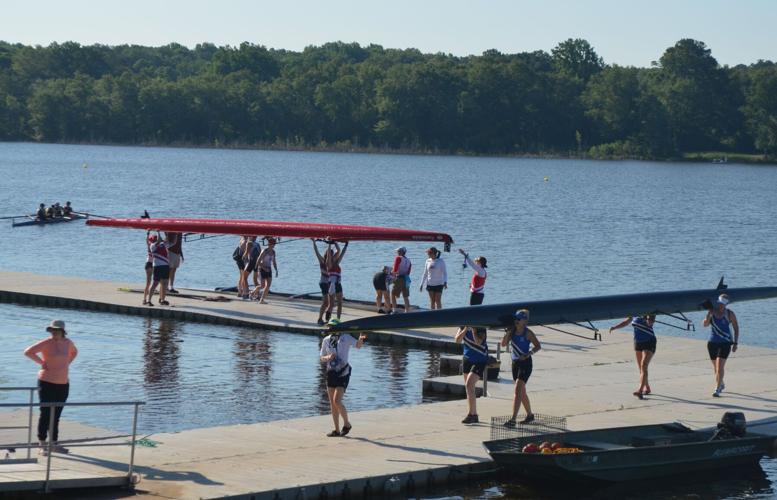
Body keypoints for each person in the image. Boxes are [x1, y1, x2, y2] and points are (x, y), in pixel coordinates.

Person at [24, 320, 78, 455]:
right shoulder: (46, 342)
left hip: (63, 383)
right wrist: (42, 363)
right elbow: (28, 352)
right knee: (45, 413)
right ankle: (42, 444)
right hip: (46, 382)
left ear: (62, 331)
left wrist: (66, 364)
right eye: (52, 330)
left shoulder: (68, 343)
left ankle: (53, 443)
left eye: (57, 330)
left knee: (56, 415)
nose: (54, 333)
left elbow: (74, 353)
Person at [319, 326, 367, 437]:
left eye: (334, 327)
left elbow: (358, 346)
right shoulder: (326, 340)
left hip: (343, 372)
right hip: (331, 372)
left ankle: (347, 424)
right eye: (330, 327)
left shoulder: (345, 337)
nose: (332, 330)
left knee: (337, 401)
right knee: (332, 403)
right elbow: (321, 357)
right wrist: (328, 357)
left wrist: (361, 338)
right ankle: (336, 430)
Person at [502, 309, 541, 426]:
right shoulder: (512, 332)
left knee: (518, 390)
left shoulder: (528, 333)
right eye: (516, 319)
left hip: (526, 363)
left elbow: (538, 346)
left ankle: (513, 419)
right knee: (522, 392)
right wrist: (508, 332)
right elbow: (503, 344)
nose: (516, 321)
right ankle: (530, 415)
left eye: (518, 319)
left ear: (523, 321)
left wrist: (528, 354)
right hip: (515, 363)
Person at [609, 314, 657, 399]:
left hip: (649, 341)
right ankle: (647, 387)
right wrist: (615, 327)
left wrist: (648, 318)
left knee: (644, 365)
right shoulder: (635, 312)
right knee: (641, 368)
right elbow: (626, 322)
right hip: (638, 342)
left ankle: (640, 391)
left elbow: (650, 323)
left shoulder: (649, 310)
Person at [703, 294, 739, 397]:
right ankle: (721, 382)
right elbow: (705, 325)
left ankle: (717, 389)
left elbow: (736, 327)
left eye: (722, 304)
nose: (720, 305)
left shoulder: (729, 314)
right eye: (719, 303)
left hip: (725, 343)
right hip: (712, 343)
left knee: (719, 368)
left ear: (726, 304)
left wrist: (735, 343)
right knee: (715, 368)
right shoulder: (712, 312)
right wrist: (708, 316)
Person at [455, 326, 488, 424]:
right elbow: (457, 340)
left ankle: (471, 414)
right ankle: (473, 414)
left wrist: (473, 330)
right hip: (467, 358)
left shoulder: (480, 326)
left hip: (480, 359)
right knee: (469, 388)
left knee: (469, 384)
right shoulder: (462, 326)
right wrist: (465, 330)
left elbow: (479, 342)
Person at [325, 241, 348, 319]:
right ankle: (327, 318)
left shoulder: (337, 263)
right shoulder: (329, 264)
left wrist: (345, 245)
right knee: (331, 304)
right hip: (331, 284)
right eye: (333, 255)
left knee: (340, 303)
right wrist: (329, 244)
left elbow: (340, 252)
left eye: (335, 255)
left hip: (338, 284)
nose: (335, 256)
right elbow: (328, 255)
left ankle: (338, 319)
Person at [147, 232, 170, 306]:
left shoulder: (162, 244)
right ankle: (149, 300)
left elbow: (168, 241)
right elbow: (160, 240)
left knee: (165, 283)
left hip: (165, 266)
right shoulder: (152, 246)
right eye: (154, 239)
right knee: (155, 283)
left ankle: (162, 300)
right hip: (158, 267)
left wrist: (166, 233)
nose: (156, 239)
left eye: (156, 238)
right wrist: (158, 231)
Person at [312, 240, 332, 325]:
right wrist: (314, 242)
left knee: (330, 303)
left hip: (329, 283)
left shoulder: (332, 262)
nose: (330, 257)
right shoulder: (322, 261)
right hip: (324, 283)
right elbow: (316, 252)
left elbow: (338, 253)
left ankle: (327, 318)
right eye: (329, 255)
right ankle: (319, 319)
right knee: (325, 302)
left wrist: (332, 243)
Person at [390, 247, 412, 313]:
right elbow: (408, 272)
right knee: (405, 296)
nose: (397, 252)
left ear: (401, 252)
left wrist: (391, 274)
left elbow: (395, 270)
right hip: (406, 279)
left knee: (393, 294)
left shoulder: (398, 258)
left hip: (399, 278)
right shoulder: (409, 260)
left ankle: (394, 310)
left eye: (398, 251)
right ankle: (407, 311)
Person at [256, 238, 278, 304]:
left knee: (268, 286)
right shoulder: (264, 251)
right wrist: (264, 268)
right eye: (272, 244)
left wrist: (276, 270)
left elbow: (274, 262)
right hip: (262, 269)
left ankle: (262, 299)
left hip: (269, 269)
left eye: (274, 244)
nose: (273, 245)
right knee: (262, 286)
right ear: (269, 244)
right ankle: (253, 292)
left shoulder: (273, 252)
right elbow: (258, 262)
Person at [142, 232, 155, 306]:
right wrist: (148, 233)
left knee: (150, 283)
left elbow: (147, 241)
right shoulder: (152, 245)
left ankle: (145, 299)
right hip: (150, 264)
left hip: (151, 264)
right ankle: (144, 299)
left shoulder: (152, 245)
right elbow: (147, 241)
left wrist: (148, 233)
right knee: (149, 283)